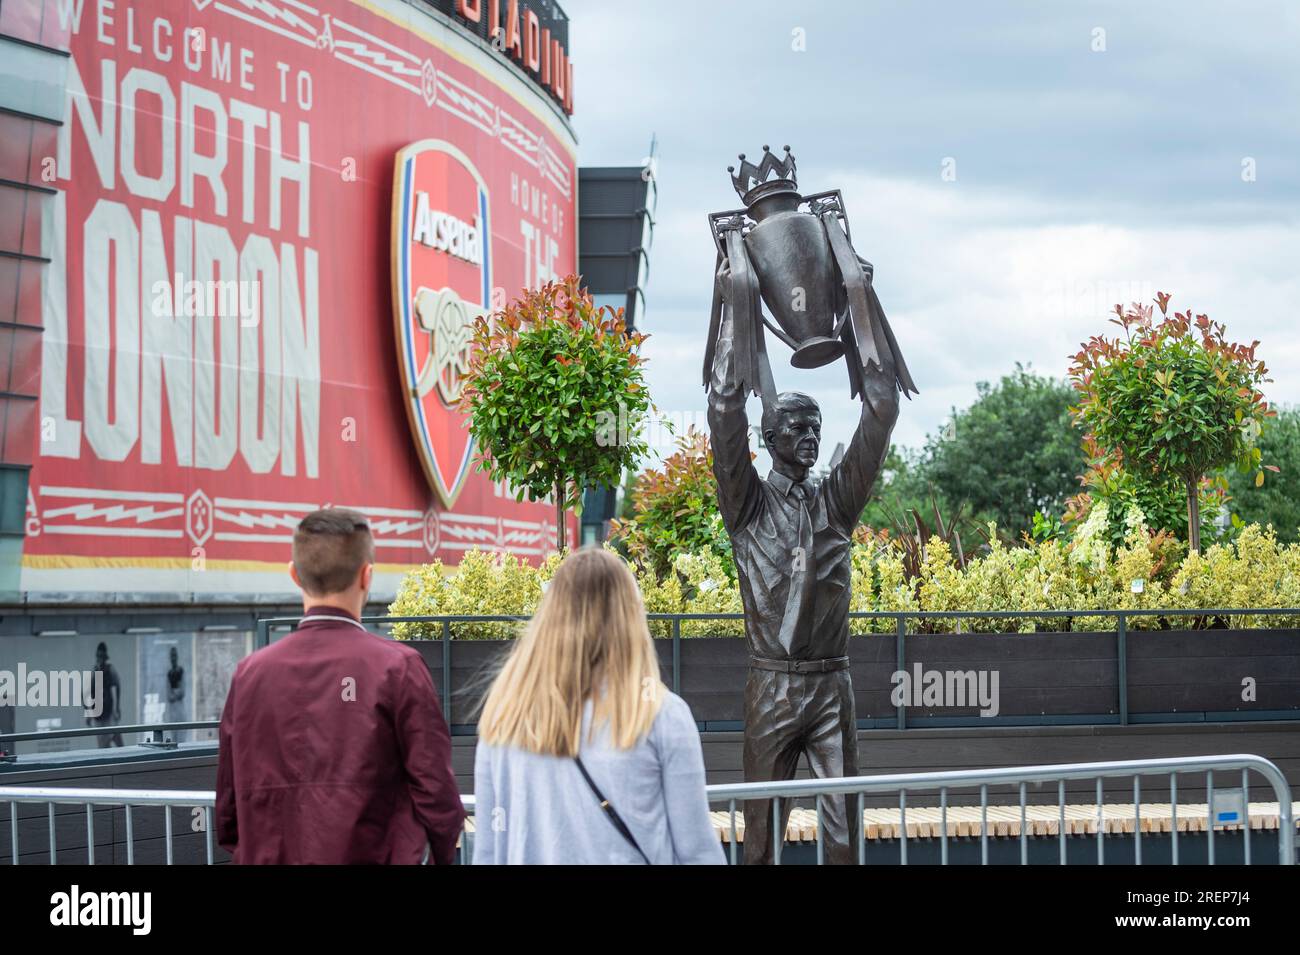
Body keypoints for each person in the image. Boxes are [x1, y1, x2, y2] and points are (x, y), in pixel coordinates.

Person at [707, 280, 900, 865]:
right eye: (797, 427)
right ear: (769, 439)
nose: (811, 436)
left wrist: (858, 297)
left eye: (816, 427)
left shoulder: (837, 503)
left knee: (844, 839)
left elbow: (882, 409)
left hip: (830, 687)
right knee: (760, 838)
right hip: (772, 687)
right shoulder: (747, 508)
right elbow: (723, 409)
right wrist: (738, 298)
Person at [216, 508, 465, 864]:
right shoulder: (398, 668)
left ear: (294, 575)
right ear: (367, 576)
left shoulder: (249, 674)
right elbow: (437, 796)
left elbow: (228, 814)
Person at [472, 547, 724, 865]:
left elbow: (487, 851)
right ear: (630, 618)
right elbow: (696, 850)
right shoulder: (659, 714)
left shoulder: (504, 715)